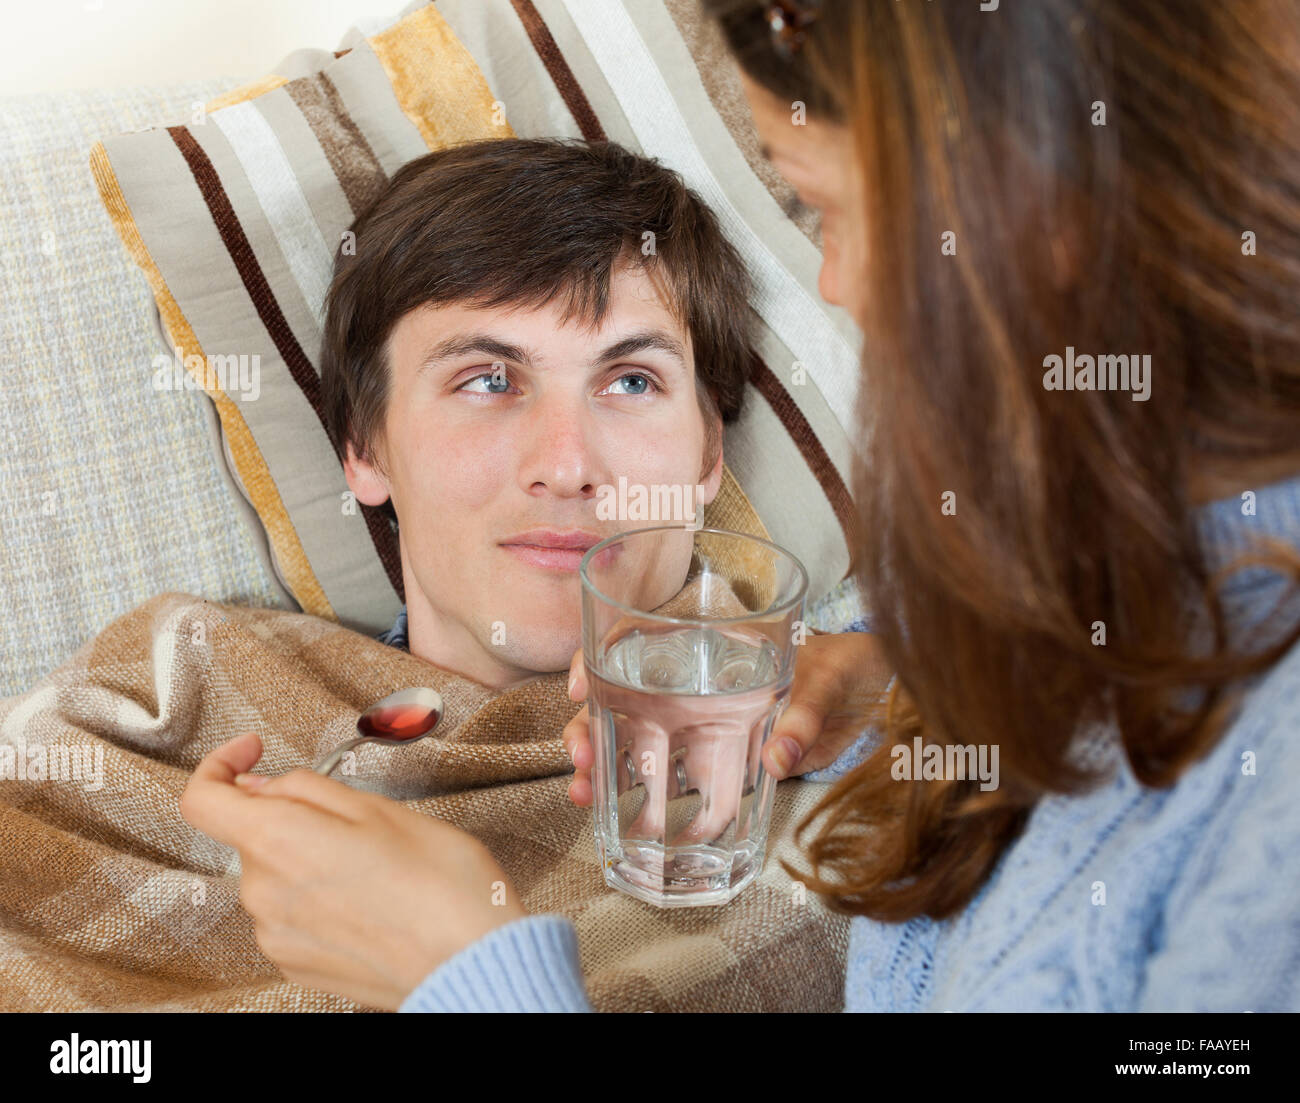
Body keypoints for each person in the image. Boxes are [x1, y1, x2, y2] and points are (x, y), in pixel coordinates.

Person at [182, 0, 1300, 1012]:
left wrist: (465, 981)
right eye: (486, 378)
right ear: (359, 446)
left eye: (630, 380)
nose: (567, 463)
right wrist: (914, 688)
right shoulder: (168, 694)